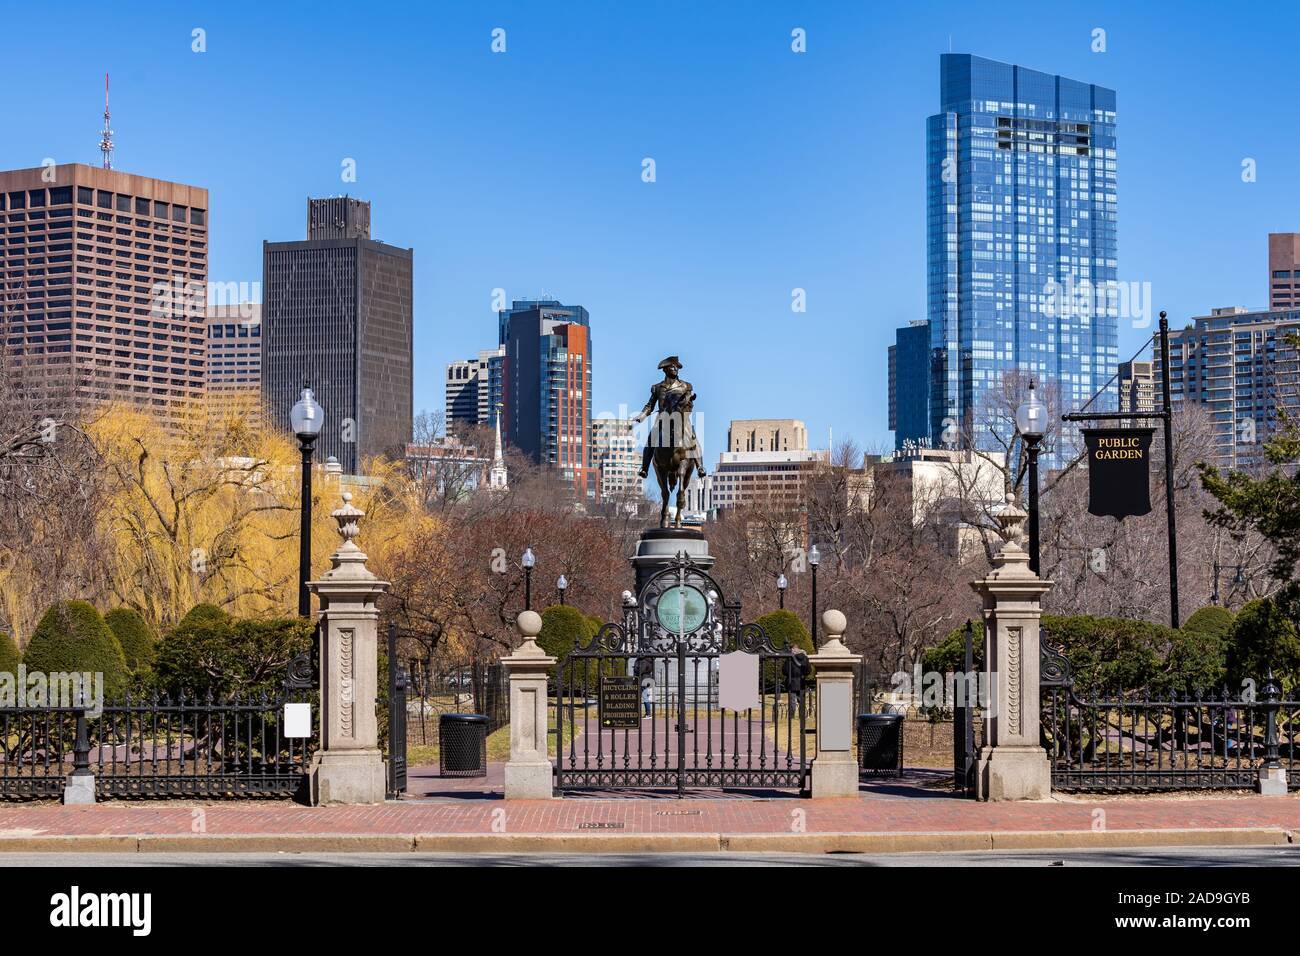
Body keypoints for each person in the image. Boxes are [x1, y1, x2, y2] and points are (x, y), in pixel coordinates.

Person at [633, 356, 706, 480]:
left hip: (681, 418)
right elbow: (650, 405)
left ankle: (700, 467)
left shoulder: (686, 386)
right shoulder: (657, 387)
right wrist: (642, 416)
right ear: (665, 369)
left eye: (676, 366)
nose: (675, 368)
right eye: (672, 366)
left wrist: (689, 401)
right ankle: (644, 468)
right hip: (663, 419)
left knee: (693, 438)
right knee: (651, 439)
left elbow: (689, 404)